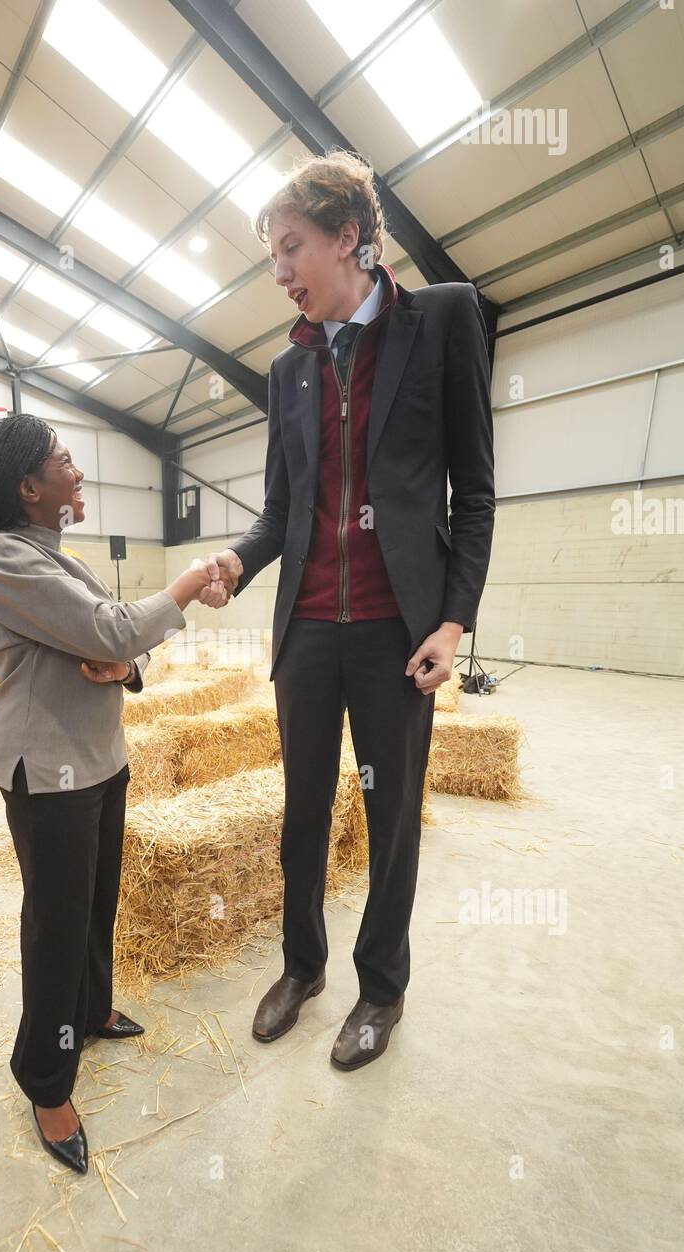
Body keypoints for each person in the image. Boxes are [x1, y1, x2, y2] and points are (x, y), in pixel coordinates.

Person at [206, 149, 495, 1071]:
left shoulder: (443, 319)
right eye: (271, 257)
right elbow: (281, 513)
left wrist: (453, 622)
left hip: (394, 630)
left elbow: (475, 495)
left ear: (349, 237)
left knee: (391, 815)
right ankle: (303, 968)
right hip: (306, 633)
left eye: (292, 248)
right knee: (303, 812)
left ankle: (381, 988)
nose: (281, 273)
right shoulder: (284, 373)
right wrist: (237, 561)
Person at [0, 414, 233, 1175]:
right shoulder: (4, 559)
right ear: (28, 487)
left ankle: (90, 1009)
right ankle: (45, 1079)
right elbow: (112, 630)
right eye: (66, 463)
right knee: (55, 921)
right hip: (48, 775)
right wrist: (189, 580)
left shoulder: (50, 552)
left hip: (98, 760)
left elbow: (108, 649)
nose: (78, 474)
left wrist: (129, 671)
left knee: (97, 900)